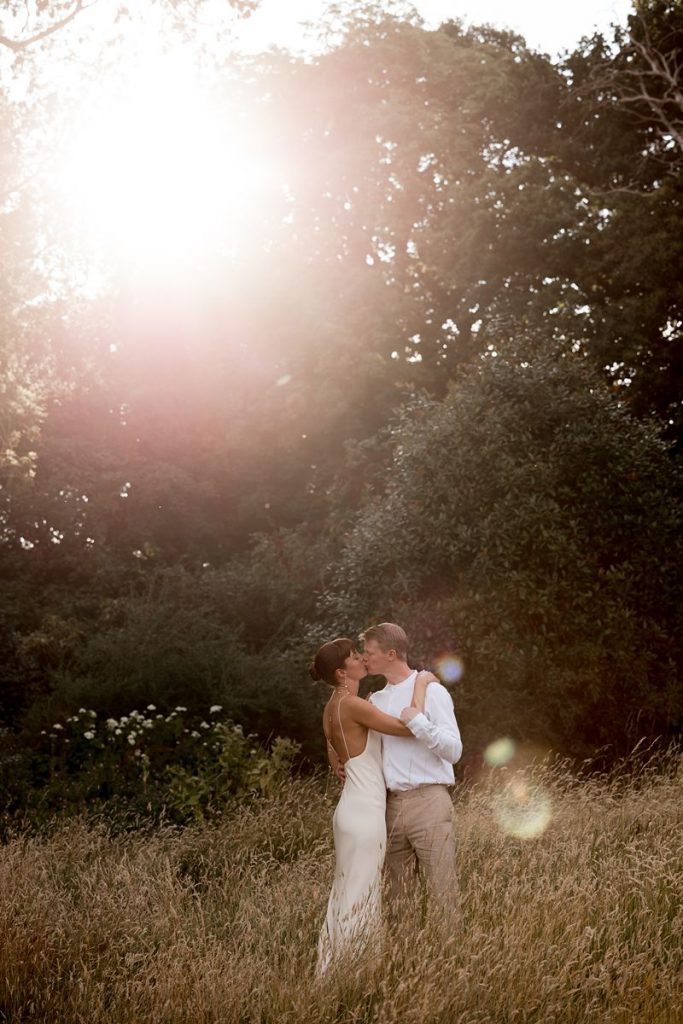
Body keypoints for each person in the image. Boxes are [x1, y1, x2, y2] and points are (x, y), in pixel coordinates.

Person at [310, 636, 435, 975]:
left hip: (349, 811)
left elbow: (331, 744)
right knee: (361, 895)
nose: (361, 658)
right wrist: (421, 684)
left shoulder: (334, 707)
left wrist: (338, 758)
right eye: (353, 656)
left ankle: (333, 971)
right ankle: (354, 975)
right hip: (365, 815)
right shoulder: (353, 705)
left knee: (346, 893)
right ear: (341, 672)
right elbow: (408, 729)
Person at [362, 622, 462, 929]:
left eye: (369, 652)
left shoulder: (432, 690)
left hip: (429, 802)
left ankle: (454, 967)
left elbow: (454, 750)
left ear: (390, 654)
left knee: (443, 894)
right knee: (396, 903)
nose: (364, 658)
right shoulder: (374, 701)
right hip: (391, 808)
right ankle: (405, 970)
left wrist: (418, 722)